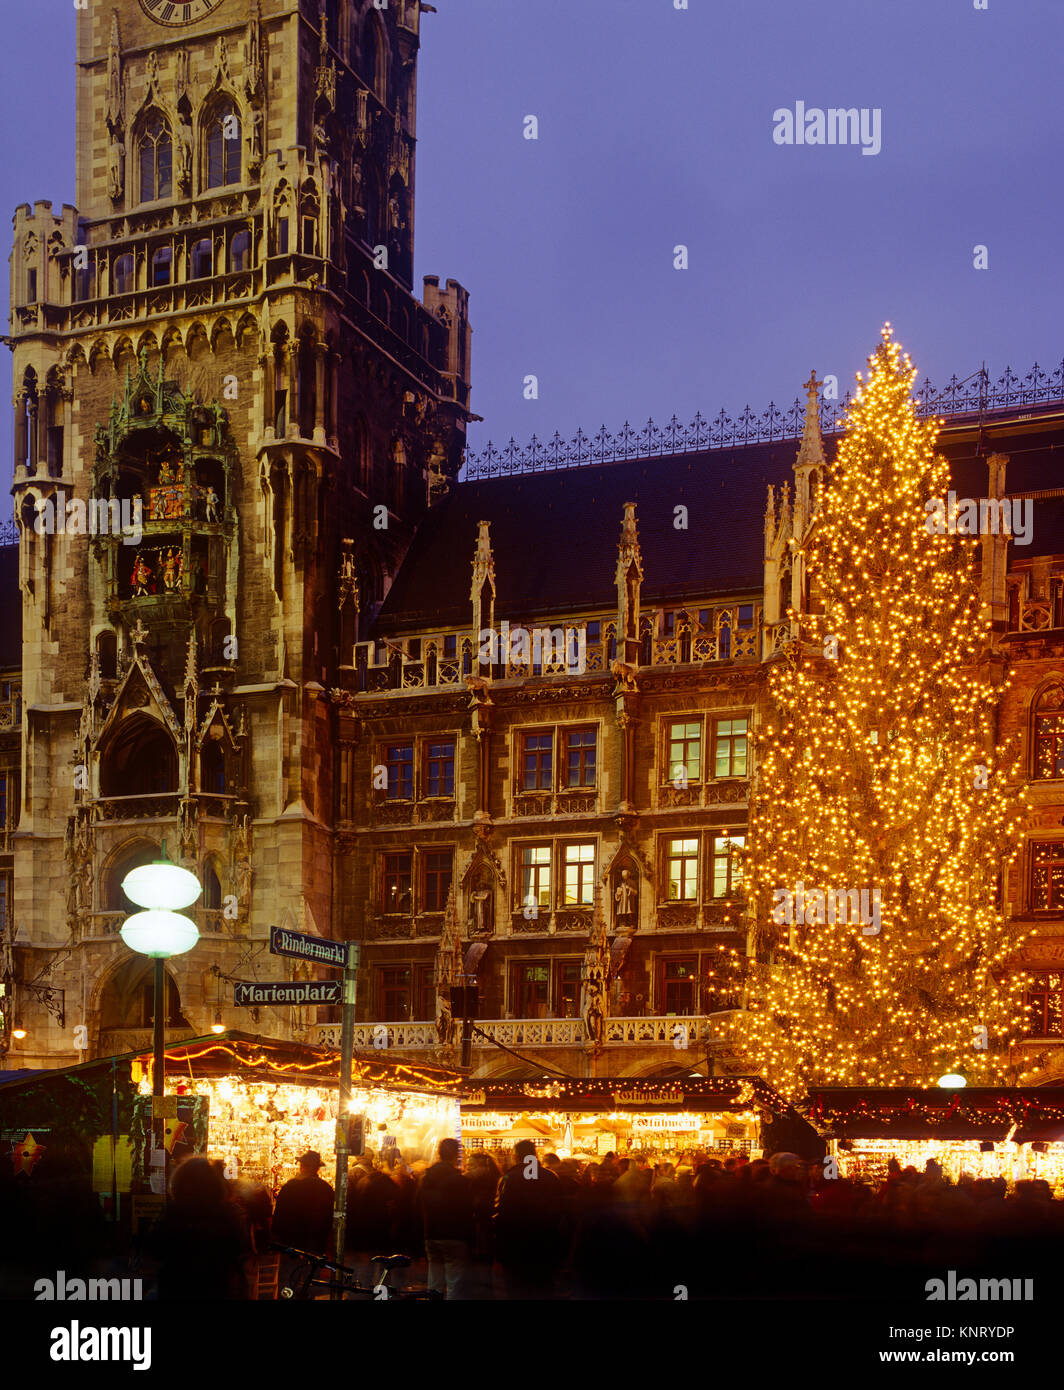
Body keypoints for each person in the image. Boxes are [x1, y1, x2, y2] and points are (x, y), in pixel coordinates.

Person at [151, 1156, 250, 1300]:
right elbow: (239, 1250)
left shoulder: (174, 1214)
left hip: (176, 1288)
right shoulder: (228, 1216)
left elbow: (156, 1250)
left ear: (180, 1184)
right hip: (217, 1288)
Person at [493, 1140, 566, 1299]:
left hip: (515, 1243)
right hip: (544, 1241)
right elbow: (559, 1209)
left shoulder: (508, 1178)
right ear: (535, 1155)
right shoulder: (551, 1177)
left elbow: (501, 1213)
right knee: (543, 1285)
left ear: (515, 1156)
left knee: (517, 1287)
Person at [417, 1138, 473, 1299]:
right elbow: (466, 1209)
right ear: (456, 1155)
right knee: (454, 1282)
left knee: (435, 1281)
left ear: (439, 1153)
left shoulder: (426, 1178)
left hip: (432, 1233)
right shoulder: (460, 1180)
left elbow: (418, 1205)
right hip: (455, 1235)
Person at [271, 1151, 334, 1254]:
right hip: (316, 1240)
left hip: (292, 1239)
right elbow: (330, 1215)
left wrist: (276, 1235)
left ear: (302, 1167)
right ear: (317, 1168)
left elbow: (280, 1213)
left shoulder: (290, 1186)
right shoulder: (326, 1188)